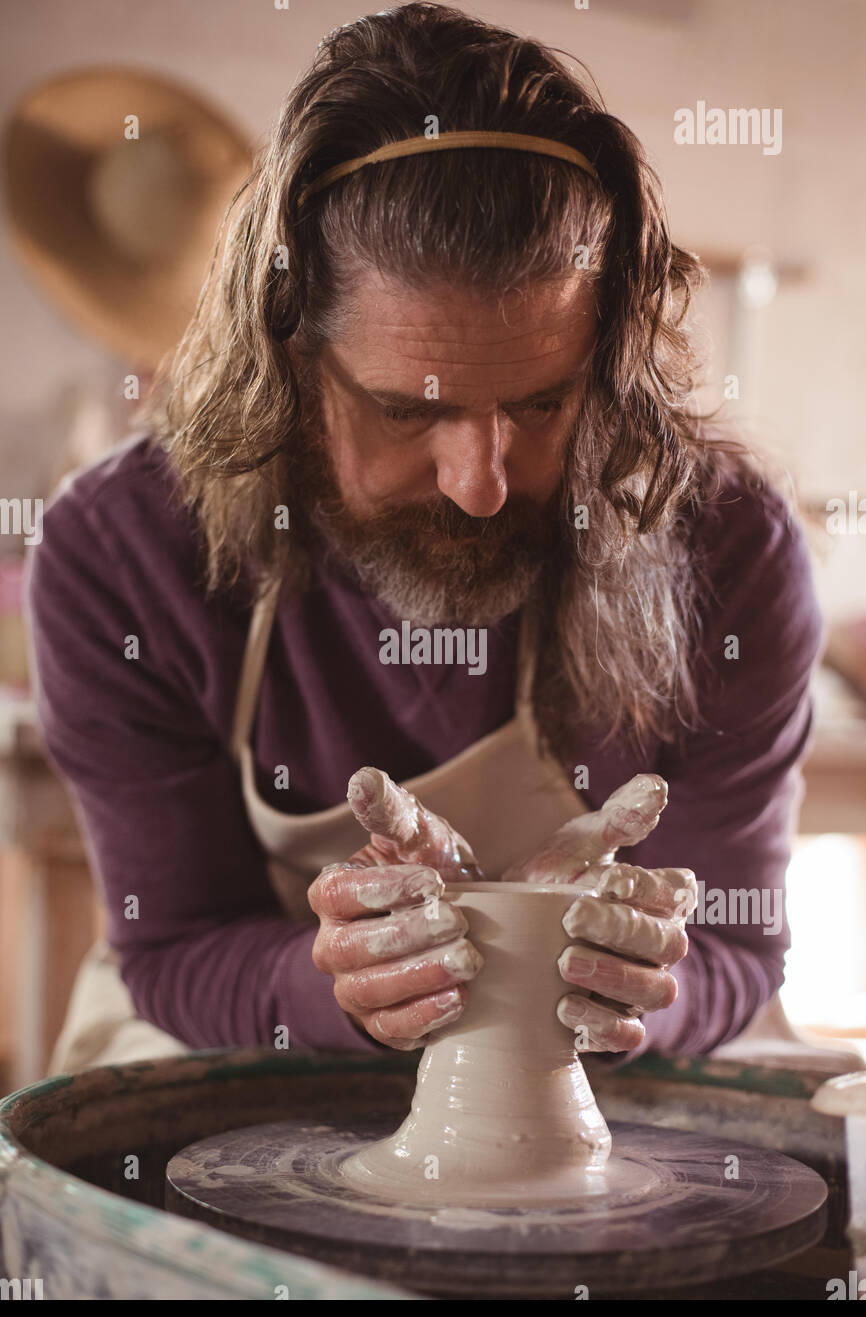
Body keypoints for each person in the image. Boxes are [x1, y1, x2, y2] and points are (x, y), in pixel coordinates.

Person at [27, 4, 822, 1074]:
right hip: (256, 1056)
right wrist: (344, 984)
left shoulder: (725, 543)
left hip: (605, 1078)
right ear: (290, 362)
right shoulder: (121, 550)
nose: (481, 484)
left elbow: (731, 943)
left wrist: (636, 985)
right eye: (410, 413)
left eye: (542, 404)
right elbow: (171, 944)